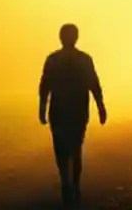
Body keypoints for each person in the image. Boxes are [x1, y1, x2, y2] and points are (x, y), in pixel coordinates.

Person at [39, 23, 106, 207]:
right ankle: (73, 184)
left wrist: (42, 107)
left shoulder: (53, 60)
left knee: (63, 149)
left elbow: (45, 86)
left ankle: (67, 182)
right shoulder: (84, 59)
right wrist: (101, 107)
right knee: (75, 149)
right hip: (76, 112)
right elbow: (94, 84)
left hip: (61, 113)